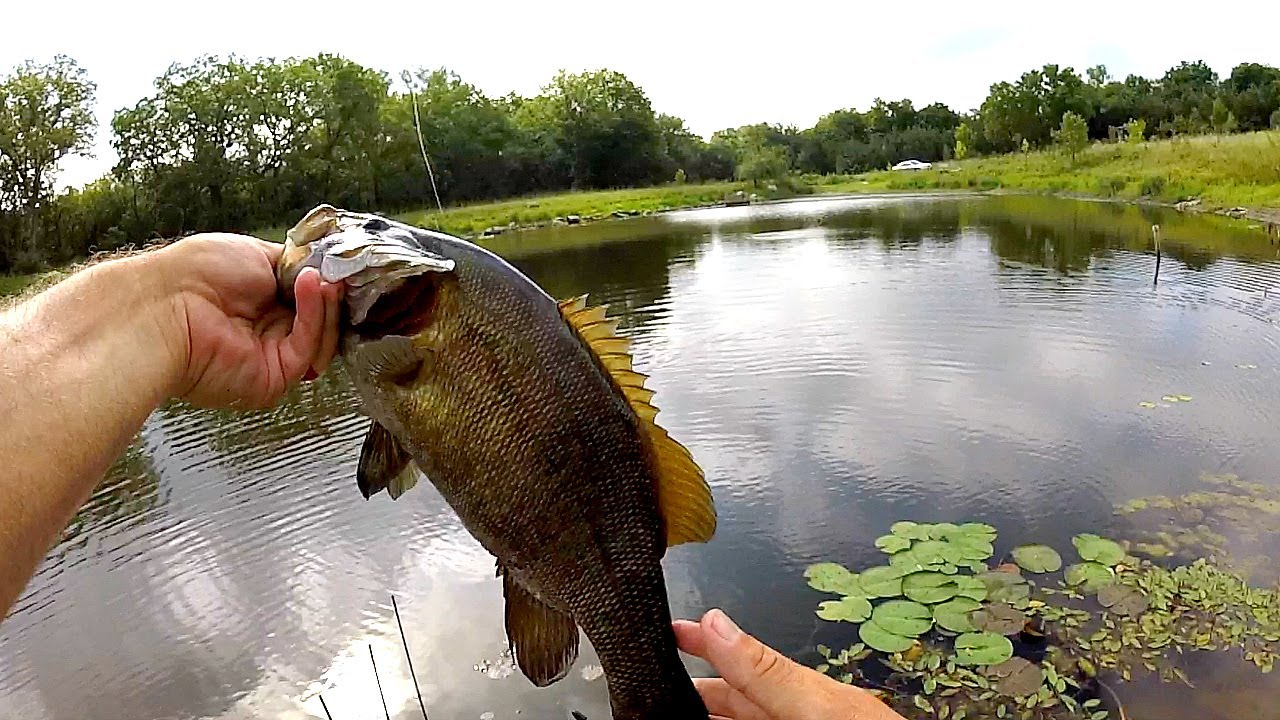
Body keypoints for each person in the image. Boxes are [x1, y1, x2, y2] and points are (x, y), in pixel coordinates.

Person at [0, 233, 905, 720]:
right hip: (567, 549)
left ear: (409, 283)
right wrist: (159, 309)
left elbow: (389, 457)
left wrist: (154, 310)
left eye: (359, 238)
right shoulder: (397, 336)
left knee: (637, 663)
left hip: (589, 539)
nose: (334, 240)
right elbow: (385, 456)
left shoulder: (424, 316)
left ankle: (644, 687)